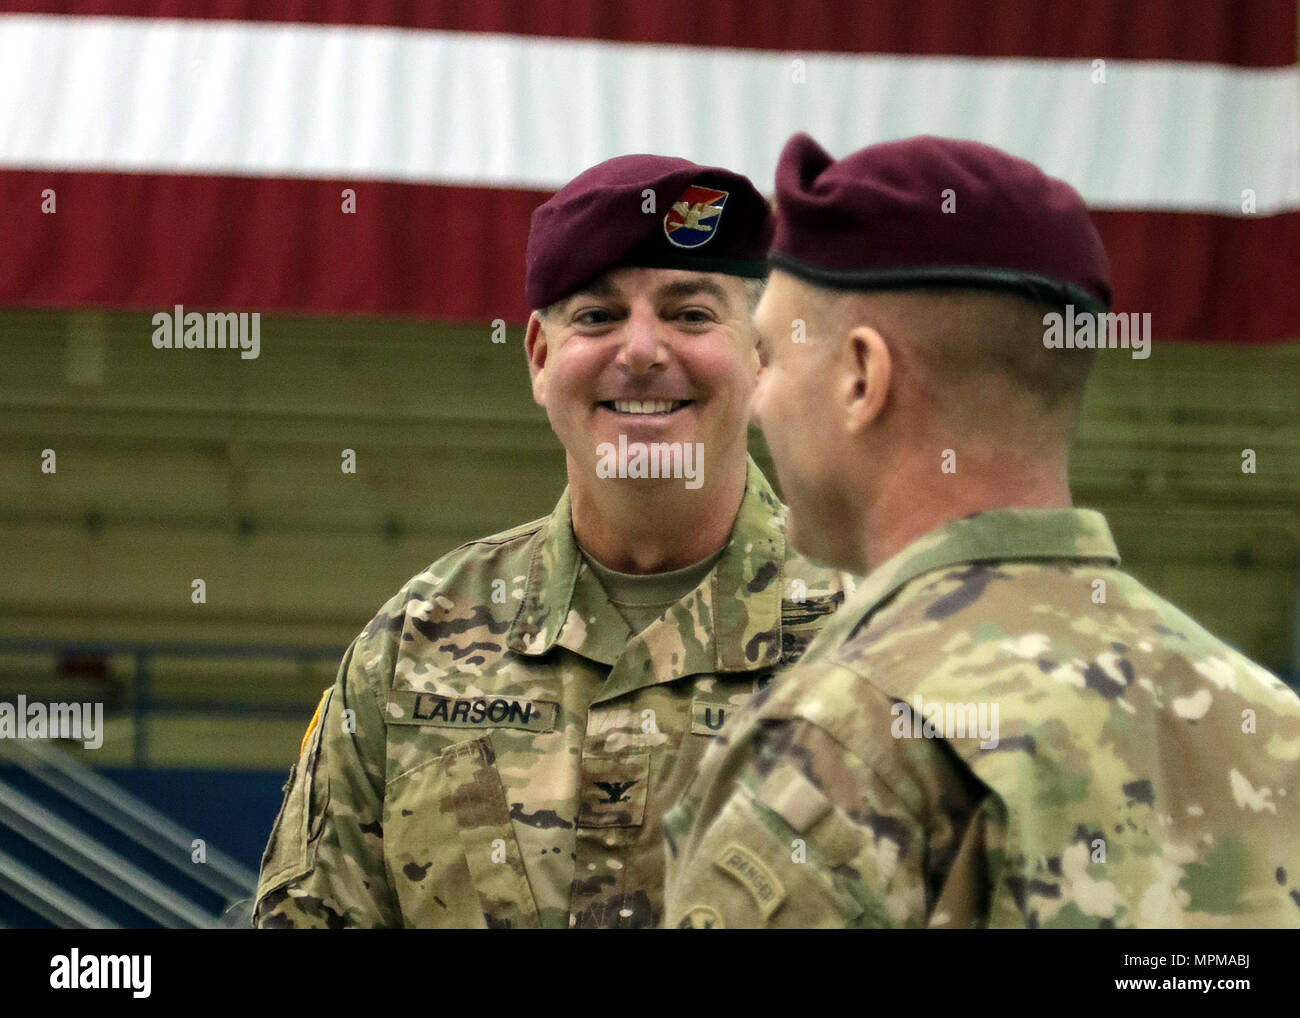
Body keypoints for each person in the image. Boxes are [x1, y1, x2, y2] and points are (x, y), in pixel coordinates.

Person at [662, 133, 1300, 929]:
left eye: (772, 357)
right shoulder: (1268, 721)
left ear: (862, 377)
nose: (756, 401)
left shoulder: (847, 743)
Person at [253, 153, 854, 928]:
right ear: (539, 356)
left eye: (692, 314)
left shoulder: (874, 637)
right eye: (598, 317)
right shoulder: (412, 651)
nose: (641, 351)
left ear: (760, 356)